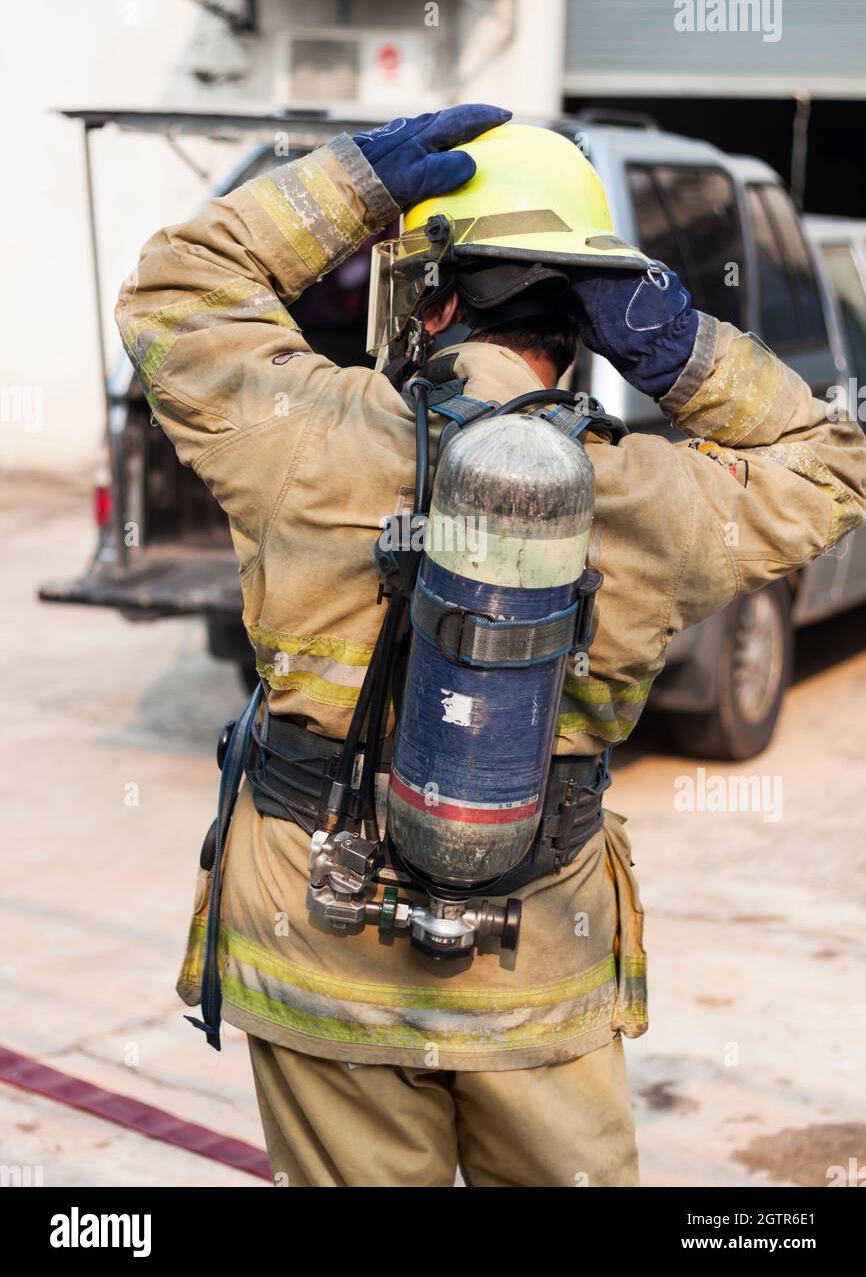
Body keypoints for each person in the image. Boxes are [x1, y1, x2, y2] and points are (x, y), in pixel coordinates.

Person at [116, 106, 866, 1187]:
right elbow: (832, 462)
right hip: (534, 969)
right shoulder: (646, 495)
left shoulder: (302, 435)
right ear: (583, 325)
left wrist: (350, 182)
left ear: (435, 297)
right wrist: (672, 343)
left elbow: (173, 294)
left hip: (318, 956)